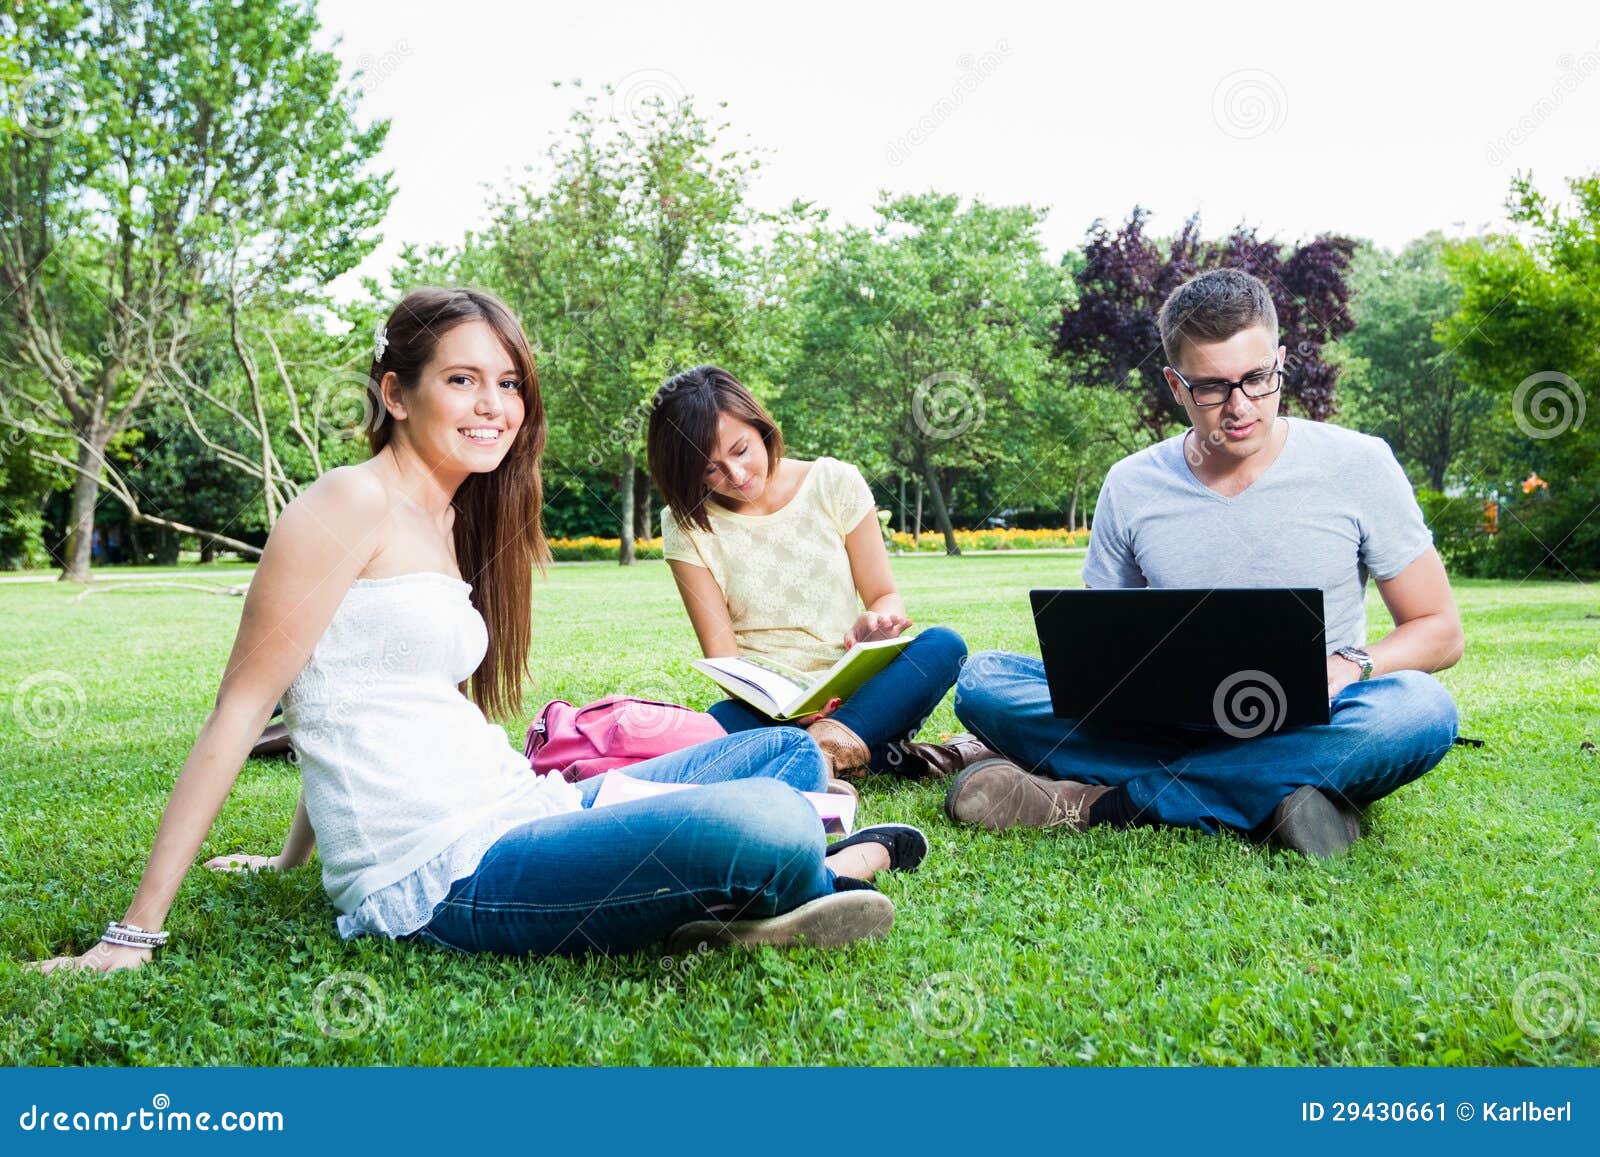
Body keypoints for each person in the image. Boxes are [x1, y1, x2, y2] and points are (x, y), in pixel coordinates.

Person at [31, 288, 929, 976]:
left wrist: (283, 856)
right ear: (396, 391)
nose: (493, 404)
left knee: (784, 760)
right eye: (462, 379)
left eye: (507, 383)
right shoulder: (345, 504)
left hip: (516, 803)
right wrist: (133, 931)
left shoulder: (450, 519)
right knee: (769, 818)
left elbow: (366, 694)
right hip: (442, 870)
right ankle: (810, 872)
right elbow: (247, 710)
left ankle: (762, 894)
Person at [922, 269, 1463, 857]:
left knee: (1422, 708)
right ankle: (1280, 794)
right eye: (1210, 388)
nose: (1240, 408)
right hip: (1161, 722)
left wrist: (1350, 664)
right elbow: (1101, 648)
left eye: (1258, 379)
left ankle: (1102, 805)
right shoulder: (1130, 484)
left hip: (1314, 719)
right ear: (1175, 385)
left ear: (1280, 360)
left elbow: (1439, 630)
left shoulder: (1359, 464)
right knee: (983, 681)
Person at [646, 365, 967, 782]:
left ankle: (816, 755)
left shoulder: (834, 481)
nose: (737, 476)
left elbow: (884, 595)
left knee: (942, 646)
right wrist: (784, 708)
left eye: (741, 450)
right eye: (711, 469)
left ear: (760, 427)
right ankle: (851, 748)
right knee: (718, 722)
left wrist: (877, 625)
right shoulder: (685, 523)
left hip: (861, 691)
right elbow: (724, 659)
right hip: (772, 708)